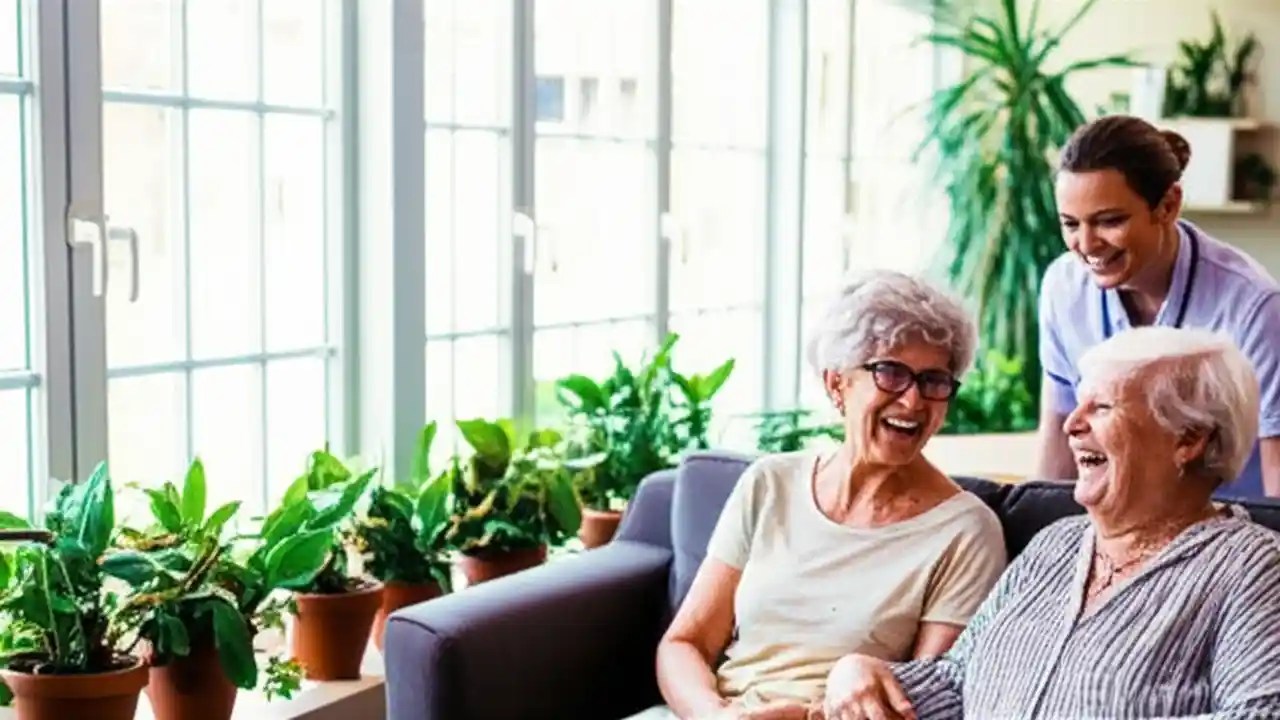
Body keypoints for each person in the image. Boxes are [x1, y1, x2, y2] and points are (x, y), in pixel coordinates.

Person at [823, 326, 1280, 720]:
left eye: (1102, 408)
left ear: (1190, 439)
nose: (1072, 424)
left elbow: (1260, 712)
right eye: (1078, 404)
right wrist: (859, 673)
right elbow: (958, 678)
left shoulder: (1250, 566)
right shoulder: (1055, 545)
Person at [639, 270, 1007, 720]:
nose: (913, 401)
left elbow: (929, 700)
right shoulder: (769, 483)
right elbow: (685, 643)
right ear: (837, 384)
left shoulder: (966, 531)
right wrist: (716, 715)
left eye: (933, 381)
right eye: (890, 372)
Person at [1036, 114, 1280, 498]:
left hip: (1234, 536)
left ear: (1168, 206)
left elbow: (1276, 468)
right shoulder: (1063, 287)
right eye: (1070, 224)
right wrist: (1046, 536)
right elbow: (1060, 426)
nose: (1086, 244)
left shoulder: (1253, 306)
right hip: (1119, 529)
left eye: (1109, 221)